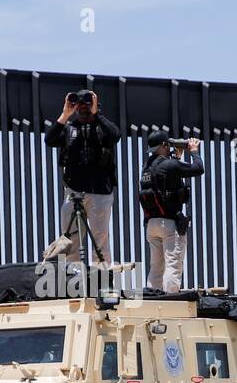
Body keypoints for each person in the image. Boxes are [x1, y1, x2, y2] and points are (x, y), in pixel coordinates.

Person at [43, 89, 121, 267]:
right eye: (80, 104)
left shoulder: (103, 128)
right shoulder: (69, 129)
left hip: (100, 191)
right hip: (73, 191)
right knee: (69, 238)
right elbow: (49, 140)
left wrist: (97, 114)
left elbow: (116, 135)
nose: (83, 107)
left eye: (87, 103)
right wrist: (64, 115)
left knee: (100, 239)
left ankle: (100, 278)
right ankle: (73, 278)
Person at [139, 131, 205, 292]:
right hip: (169, 224)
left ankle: (153, 301)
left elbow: (165, 181)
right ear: (164, 145)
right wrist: (194, 151)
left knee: (156, 267)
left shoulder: (146, 168)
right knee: (173, 265)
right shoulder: (169, 165)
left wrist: (176, 157)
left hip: (151, 224)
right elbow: (198, 168)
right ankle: (171, 301)